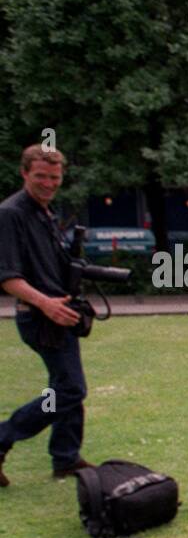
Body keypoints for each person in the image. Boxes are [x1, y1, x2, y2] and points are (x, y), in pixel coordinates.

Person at [0, 145, 90, 487]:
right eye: (41, 176)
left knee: (64, 386)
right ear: (24, 173)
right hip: (40, 316)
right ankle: (4, 436)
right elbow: (8, 277)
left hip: (60, 313)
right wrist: (46, 304)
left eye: (55, 178)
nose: (49, 184)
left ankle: (66, 458)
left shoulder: (46, 213)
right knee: (69, 389)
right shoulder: (11, 214)